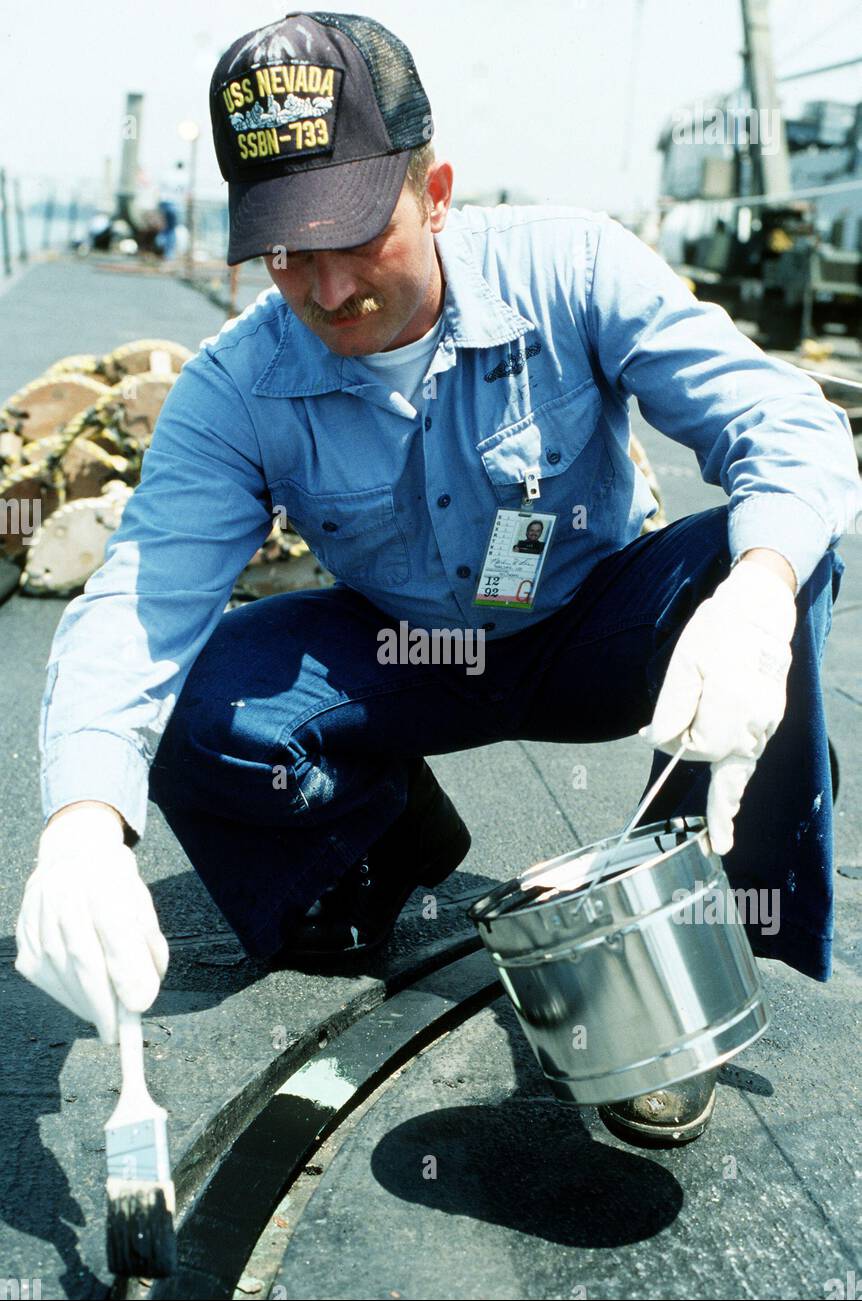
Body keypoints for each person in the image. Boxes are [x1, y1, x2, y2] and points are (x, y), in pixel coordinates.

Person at [15, 13, 862, 1146]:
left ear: (437, 189)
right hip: (411, 658)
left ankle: (701, 941)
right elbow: (138, 600)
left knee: (766, 563)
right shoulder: (239, 384)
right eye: (283, 250)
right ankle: (382, 851)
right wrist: (79, 821)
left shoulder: (572, 266)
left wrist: (755, 593)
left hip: (593, 632)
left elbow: (783, 423)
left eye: (352, 233)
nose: (322, 287)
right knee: (199, 707)